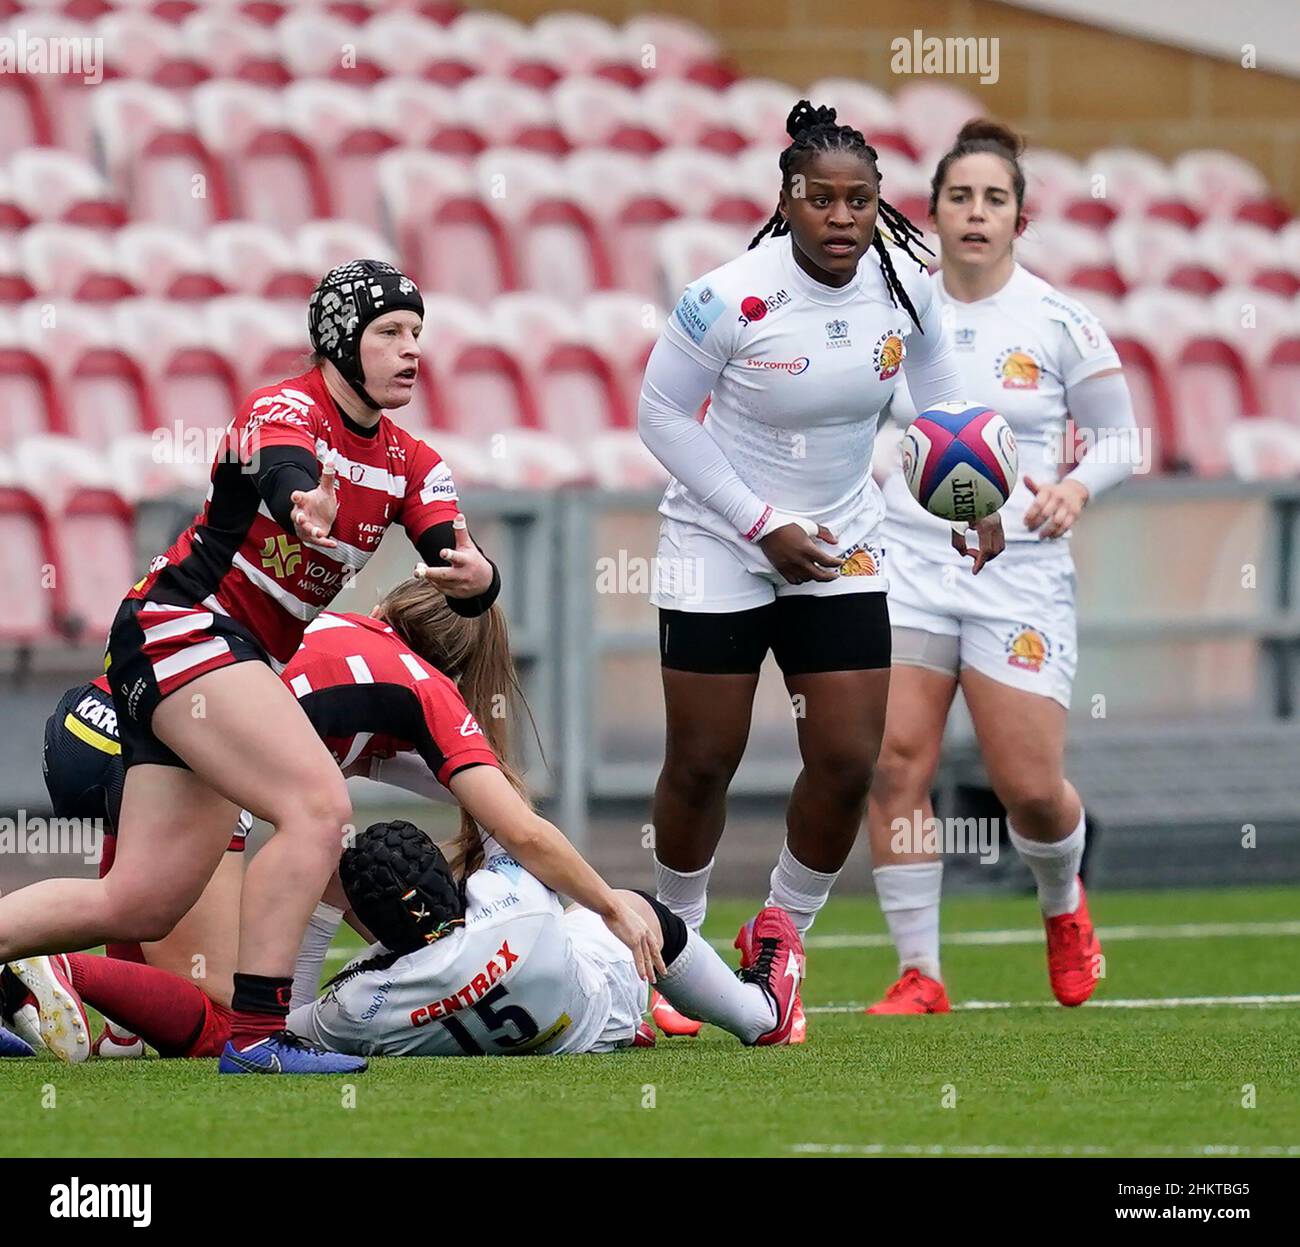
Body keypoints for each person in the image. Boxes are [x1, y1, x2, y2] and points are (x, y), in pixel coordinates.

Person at [0, 259, 655, 1076]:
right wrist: (300, 500)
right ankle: (254, 1039)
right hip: (184, 625)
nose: (412, 349)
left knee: (140, 899)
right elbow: (283, 465)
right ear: (340, 342)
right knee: (317, 804)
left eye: (418, 333)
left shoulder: (411, 459)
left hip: (210, 655)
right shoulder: (284, 408)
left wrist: (479, 575)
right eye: (390, 332)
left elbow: (452, 542)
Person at [636, 100, 1003, 1038]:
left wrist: (976, 496)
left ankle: (779, 944)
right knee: (702, 761)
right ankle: (670, 954)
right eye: (821, 199)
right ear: (787, 201)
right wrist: (760, 524)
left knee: (845, 759)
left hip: (842, 540)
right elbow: (662, 417)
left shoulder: (907, 285)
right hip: (723, 538)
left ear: (881, 205)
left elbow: (947, 397)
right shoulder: (726, 295)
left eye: (860, 201)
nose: (842, 218)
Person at [6, 580, 667, 1064]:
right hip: (180, 748)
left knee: (136, 903)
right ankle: (64, 968)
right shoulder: (426, 692)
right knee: (224, 1014)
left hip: (98, 722)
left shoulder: (348, 639)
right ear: (456, 671)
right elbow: (517, 830)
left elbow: (496, 820)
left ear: (385, 610)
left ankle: (115, 1032)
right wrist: (610, 911)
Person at [864, 121, 1137, 1014]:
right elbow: (852, 418)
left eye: (995, 199)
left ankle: (1063, 901)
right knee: (893, 757)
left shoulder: (1060, 321)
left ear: (1021, 219)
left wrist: (1077, 489)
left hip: (1019, 571)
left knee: (1028, 790)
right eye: (960, 197)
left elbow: (1124, 435)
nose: (976, 213)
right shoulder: (892, 310)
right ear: (934, 213)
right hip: (909, 560)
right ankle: (921, 971)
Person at [7, 821, 805, 1061]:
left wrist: (321, 900)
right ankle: (759, 1005)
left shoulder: (363, 1004)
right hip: (598, 1006)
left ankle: (67, 982)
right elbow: (513, 838)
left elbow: (287, 1016)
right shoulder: (510, 908)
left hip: (536, 1021)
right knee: (632, 909)